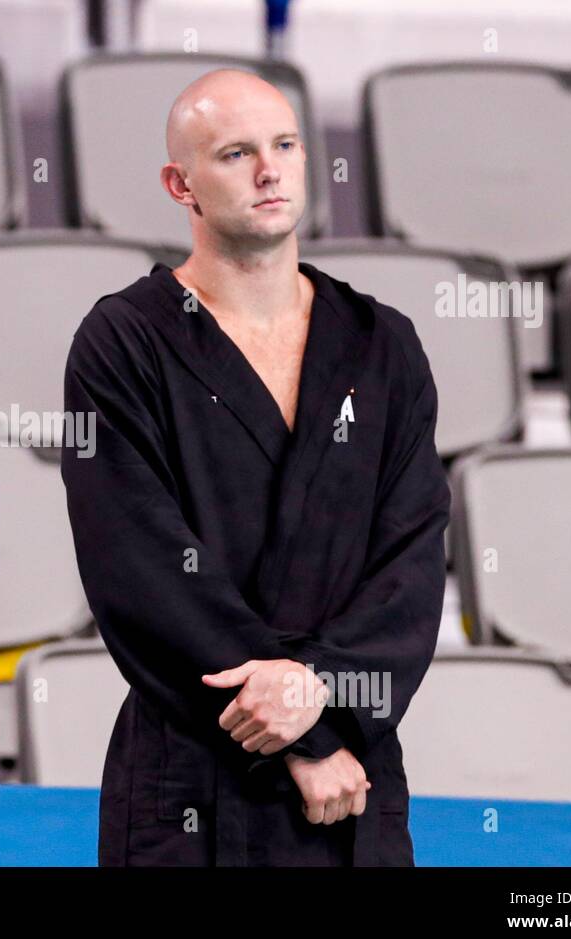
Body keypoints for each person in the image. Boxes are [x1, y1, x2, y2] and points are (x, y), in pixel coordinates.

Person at [61, 71, 450, 865]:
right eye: (236, 153)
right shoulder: (122, 344)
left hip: (353, 776)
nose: (269, 171)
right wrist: (303, 738)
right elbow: (136, 568)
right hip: (192, 784)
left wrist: (323, 700)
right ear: (181, 186)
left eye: (284, 146)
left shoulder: (382, 345)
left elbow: (411, 562)